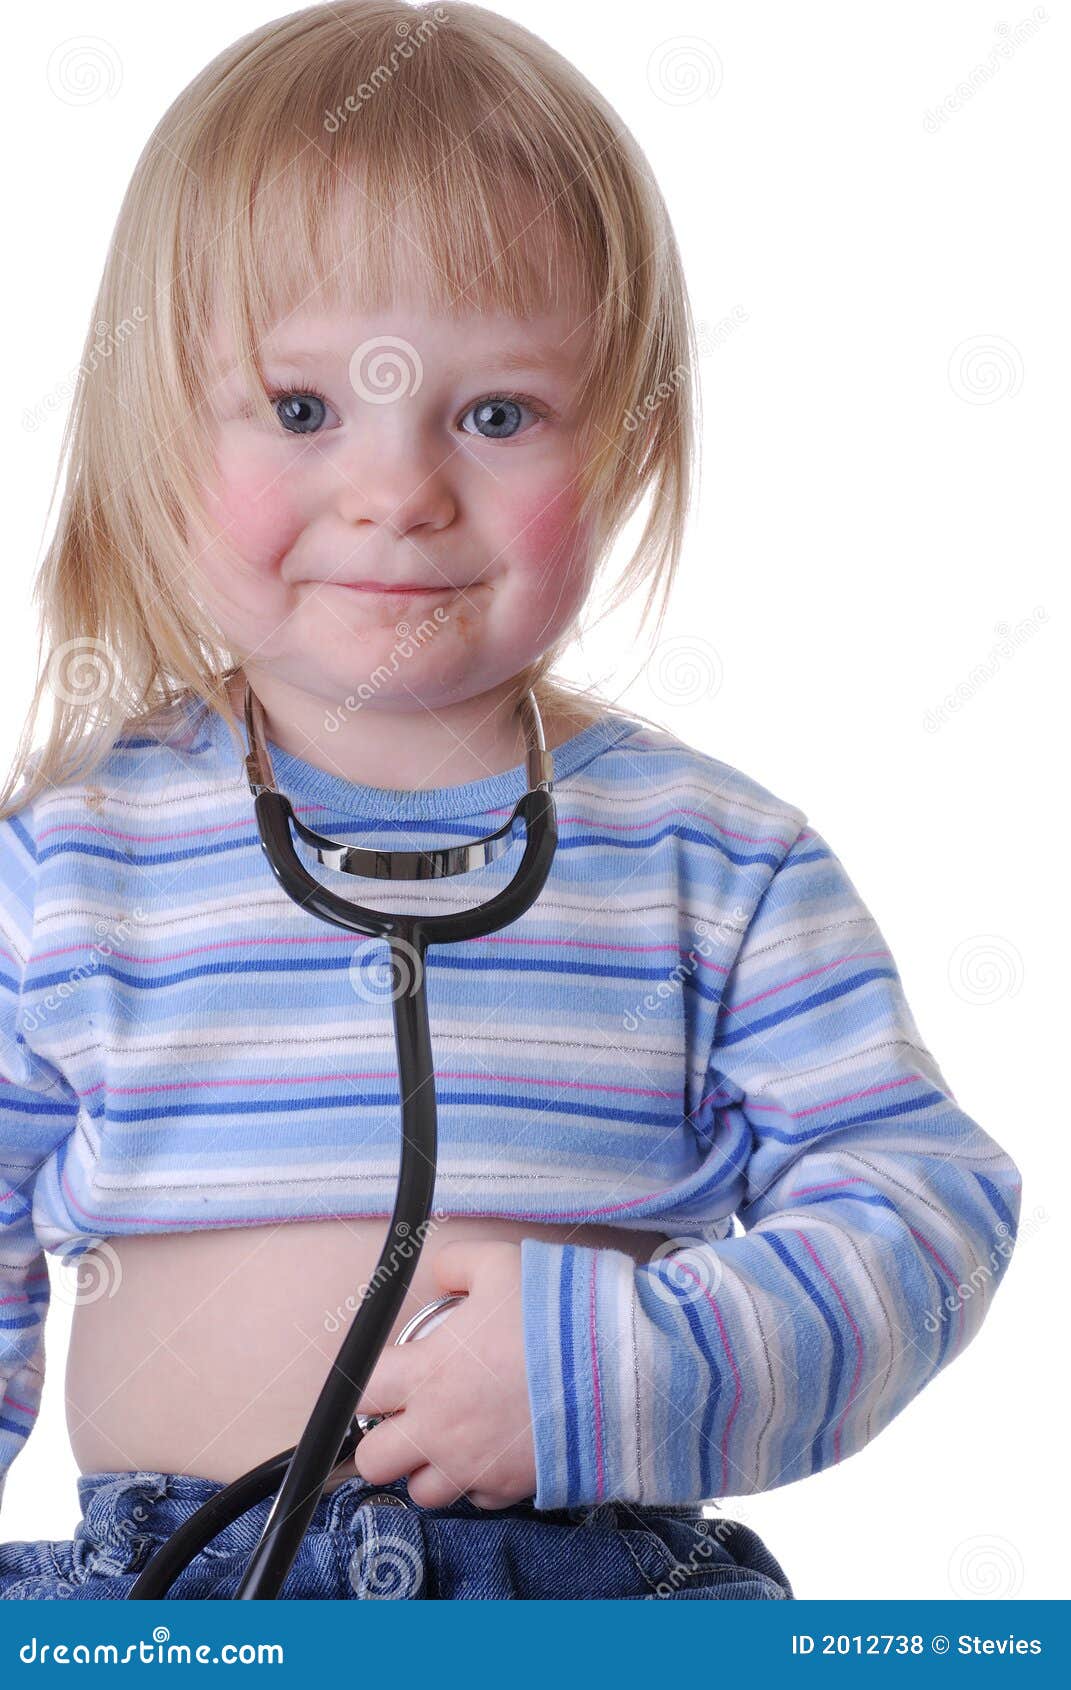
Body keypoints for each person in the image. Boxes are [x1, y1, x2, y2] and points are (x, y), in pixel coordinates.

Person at [0, 1, 1020, 1601]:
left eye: (496, 414)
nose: (399, 489)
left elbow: (926, 1206)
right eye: (300, 408)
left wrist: (630, 1373)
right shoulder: (67, 860)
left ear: (624, 443)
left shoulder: (719, 866)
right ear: (156, 425)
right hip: (170, 1602)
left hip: (590, 1587)